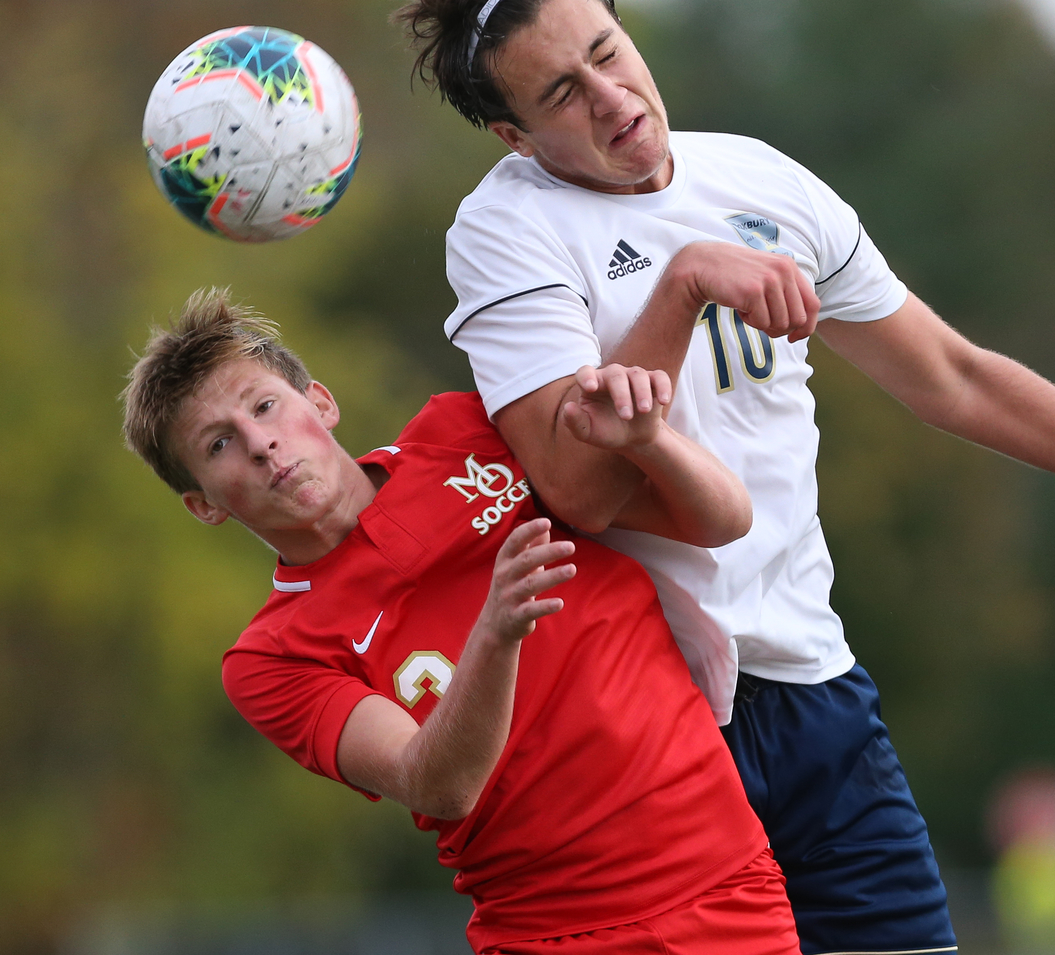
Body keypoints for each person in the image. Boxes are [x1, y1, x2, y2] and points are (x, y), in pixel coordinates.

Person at [398, 0, 1055, 955]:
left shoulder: (759, 180)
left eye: (609, 54)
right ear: (513, 135)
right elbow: (575, 487)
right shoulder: (504, 229)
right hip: (656, 724)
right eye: (561, 94)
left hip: (814, 691)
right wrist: (680, 290)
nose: (610, 96)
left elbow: (952, 376)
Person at [119, 288, 802, 955]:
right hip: (549, 931)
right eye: (219, 446)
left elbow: (719, 522)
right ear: (203, 505)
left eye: (266, 406)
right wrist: (495, 634)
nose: (262, 444)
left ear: (320, 403)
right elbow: (438, 785)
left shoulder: (465, 430)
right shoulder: (271, 657)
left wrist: (651, 441)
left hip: (725, 886)